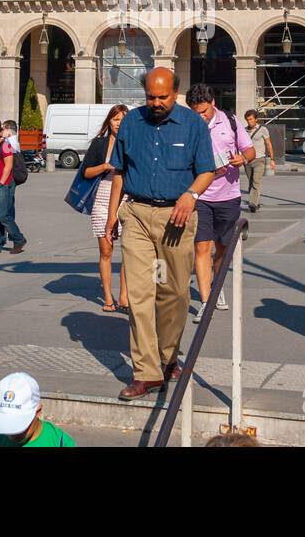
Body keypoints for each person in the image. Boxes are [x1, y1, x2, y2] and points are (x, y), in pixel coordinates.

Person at [108, 67, 216, 400]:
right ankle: (146, 373)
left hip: (177, 218)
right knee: (140, 297)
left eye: (163, 97)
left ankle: (168, 358)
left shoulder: (193, 124)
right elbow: (119, 172)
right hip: (137, 216)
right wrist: (113, 216)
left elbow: (207, 171)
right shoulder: (131, 122)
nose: (156, 103)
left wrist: (191, 195)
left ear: (175, 92)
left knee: (175, 294)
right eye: (151, 97)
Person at [188, 84, 255, 322]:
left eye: (204, 111)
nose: (201, 116)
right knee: (201, 247)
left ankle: (217, 287)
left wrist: (241, 158)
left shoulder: (231, 121)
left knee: (223, 248)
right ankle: (206, 301)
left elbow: (250, 150)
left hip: (229, 195)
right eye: (196, 112)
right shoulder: (190, 125)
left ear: (212, 103)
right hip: (201, 196)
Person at [81, 104, 130, 311]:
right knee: (106, 250)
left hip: (127, 198)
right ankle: (108, 297)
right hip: (102, 197)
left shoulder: (133, 143)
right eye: (115, 119)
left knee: (129, 251)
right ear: (109, 121)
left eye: (123, 119)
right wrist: (105, 166)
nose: (119, 123)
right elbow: (86, 172)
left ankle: (124, 296)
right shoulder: (100, 144)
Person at [0, 372, 75, 447]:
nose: (12, 433)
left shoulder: (60, 442)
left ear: (38, 412)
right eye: (6, 423)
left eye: (18, 424)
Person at [0, 118, 27, 254]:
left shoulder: (5, 145)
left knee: (3, 215)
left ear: (0, 133)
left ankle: (19, 239)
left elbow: (9, 165)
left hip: (4, 184)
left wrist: (1, 183)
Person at [243, 109, 275, 213]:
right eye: (247, 120)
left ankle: (253, 203)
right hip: (247, 161)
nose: (249, 121)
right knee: (251, 182)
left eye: (251, 119)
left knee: (256, 180)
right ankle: (256, 201)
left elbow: (268, 143)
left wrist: (272, 159)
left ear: (256, 119)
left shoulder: (263, 129)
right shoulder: (244, 131)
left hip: (259, 159)